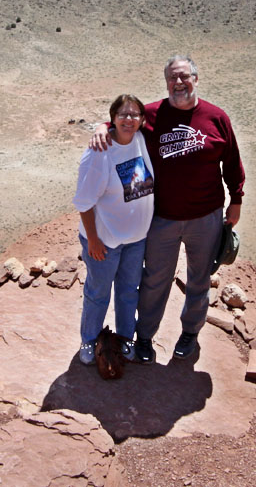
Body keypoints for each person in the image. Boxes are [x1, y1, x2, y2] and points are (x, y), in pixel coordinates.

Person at [91, 55, 245, 362]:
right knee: (154, 280)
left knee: (199, 279)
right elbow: (122, 120)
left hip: (207, 216)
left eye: (184, 77)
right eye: (172, 78)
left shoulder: (217, 117)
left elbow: (231, 162)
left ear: (196, 79)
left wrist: (236, 201)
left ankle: (190, 332)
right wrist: (100, 126)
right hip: (162, 218)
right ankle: (145, 336)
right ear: (166, 82)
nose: (179, 83)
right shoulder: (151, 114)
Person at [73, 94, 156, 365]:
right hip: (104, 241)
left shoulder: (141, 140)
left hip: (136, 240)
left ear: (142, 120)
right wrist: (94, 240)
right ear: (113, 118)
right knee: (98, 293)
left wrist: (100, 124)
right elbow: (84, 203)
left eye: (134, 115)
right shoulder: (100, 152)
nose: (129, 119)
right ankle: (89, 340)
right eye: (122, 114)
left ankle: (124, 338)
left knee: (128, 291)